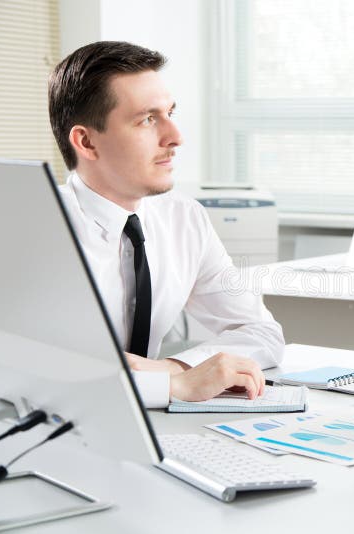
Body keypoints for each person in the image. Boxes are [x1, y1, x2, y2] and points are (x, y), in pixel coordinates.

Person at [48, 41, 284, 408]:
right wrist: (172, 387)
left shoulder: (183, 218)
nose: (175, 137)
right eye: (147, 120)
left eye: (170, 112)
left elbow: (262, 333)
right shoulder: (40, 228)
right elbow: (42, 373)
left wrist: (173, 368)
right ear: (86, 141)